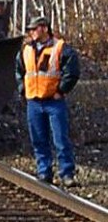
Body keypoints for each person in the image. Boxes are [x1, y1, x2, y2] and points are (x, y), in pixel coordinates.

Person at [15, 16, 80, 187]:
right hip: (34, 102)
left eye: (33, 29)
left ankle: (67, 173)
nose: (30, 32)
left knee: (61, 139)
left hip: (53, 101)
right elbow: (19, 71)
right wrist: (23, 89)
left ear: (44, 28)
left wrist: (61, 90)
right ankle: (44, 172)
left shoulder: (60, 48)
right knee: (38, 139)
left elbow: (72, 71)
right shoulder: (26, 50)